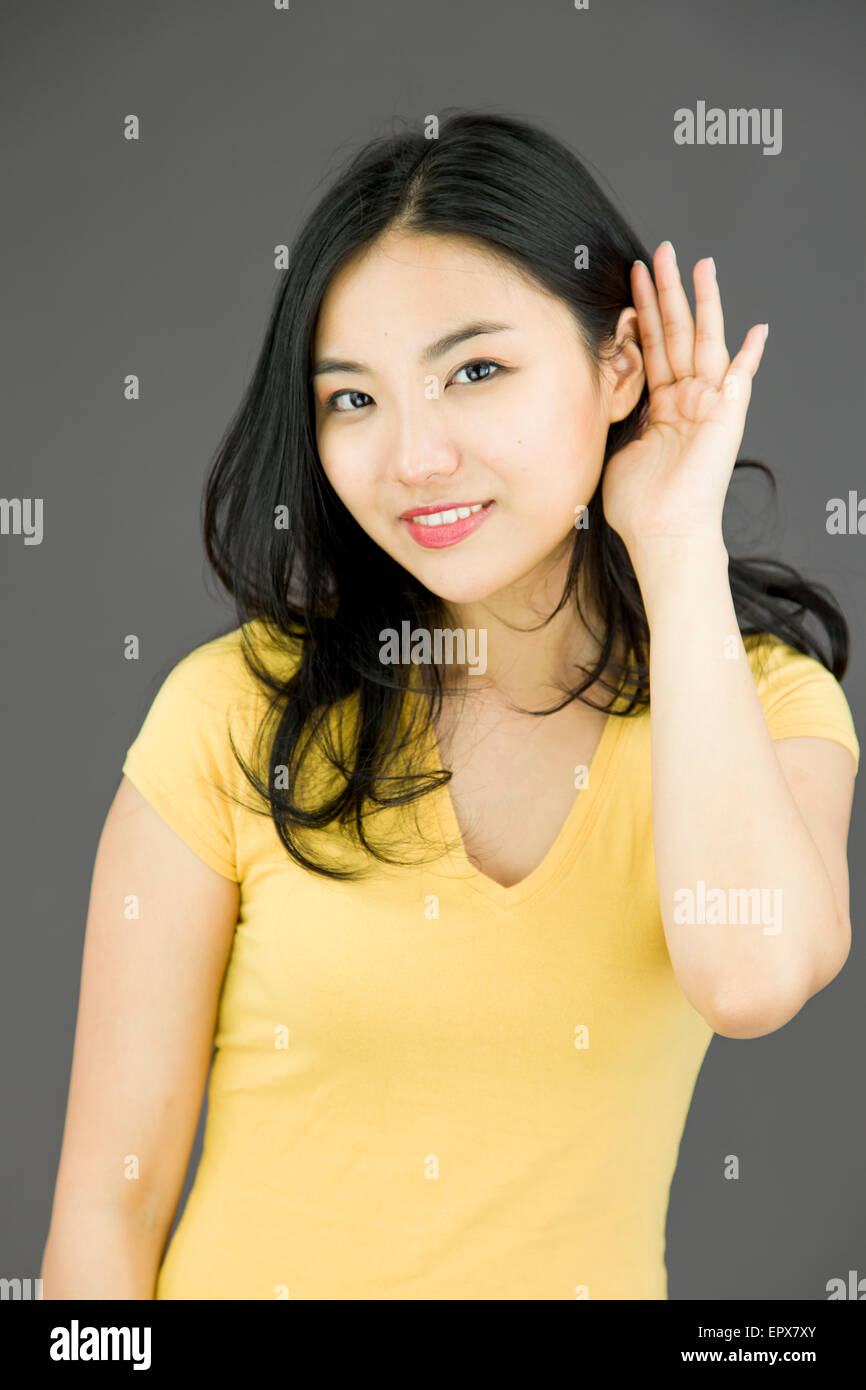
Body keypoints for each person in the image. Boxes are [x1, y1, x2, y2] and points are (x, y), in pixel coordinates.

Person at [41, 111, 858, 1300]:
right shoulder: (230, 714)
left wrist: (671, 539)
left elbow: (748, 979)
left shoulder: (761, 708)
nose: (412, 456)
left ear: (618, 363)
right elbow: (104, 1215)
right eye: (352, 400)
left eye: (474, 371)